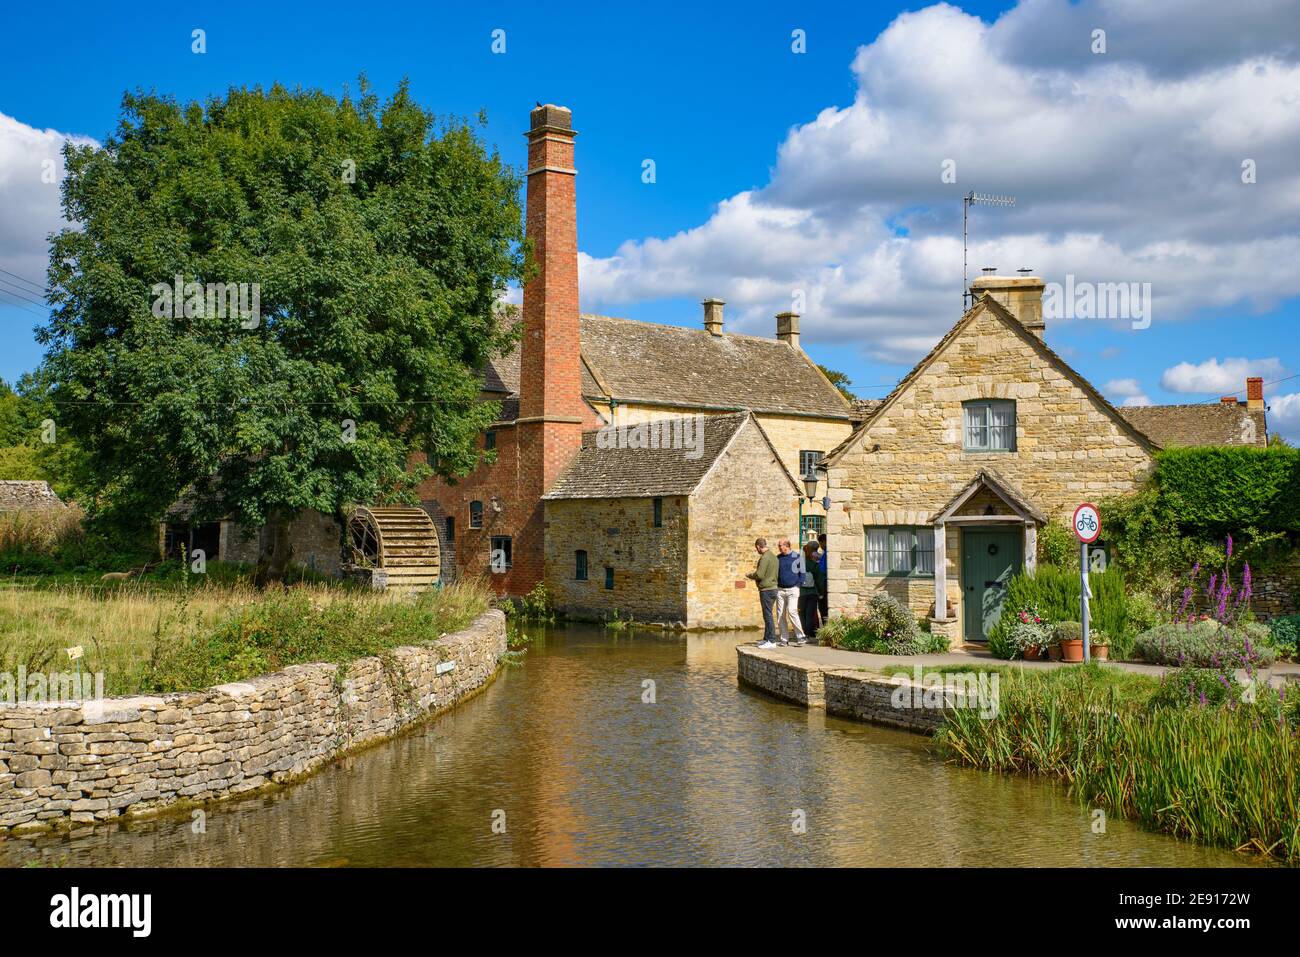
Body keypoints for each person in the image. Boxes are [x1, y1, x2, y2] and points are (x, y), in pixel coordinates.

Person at [745, 537, 780, 647]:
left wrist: (750, 575)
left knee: (768, 615)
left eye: (757, 549)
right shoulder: (774, 557)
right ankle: (766, 638)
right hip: (773, 588)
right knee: (767, 614)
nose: (757, 550)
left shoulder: (765, 558)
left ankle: (772, 641)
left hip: (767, 590)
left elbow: (759, 575)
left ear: (758, 547)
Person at [773, 538, 807, 645]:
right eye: (779, 545)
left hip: (793, 589)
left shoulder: (797, 557)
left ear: (786, 546)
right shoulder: (777, 558)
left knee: (792, 611)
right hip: (780, 590)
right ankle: (784, 638)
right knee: (780, 614)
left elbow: (803, 573)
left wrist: (798, 585)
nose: (779, 547)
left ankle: (800, 636)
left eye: (780, 545)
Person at [799, 539, 825, 639]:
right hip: (813, 592)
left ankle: (803, 632)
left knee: (801, 613)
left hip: (801, 591)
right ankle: (810, 633)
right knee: (810, 614)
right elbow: (819, 579)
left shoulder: (800, 562)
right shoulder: (816, 561)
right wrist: (821, 593)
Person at [817, 533, 829, 624]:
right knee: (822, 607)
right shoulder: (824, 554)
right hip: (822, 583)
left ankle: (826, 626)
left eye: (821, 543)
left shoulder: (827, 553)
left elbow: (822, 570)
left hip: (824, 583)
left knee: (823, 607)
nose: (820, 546)